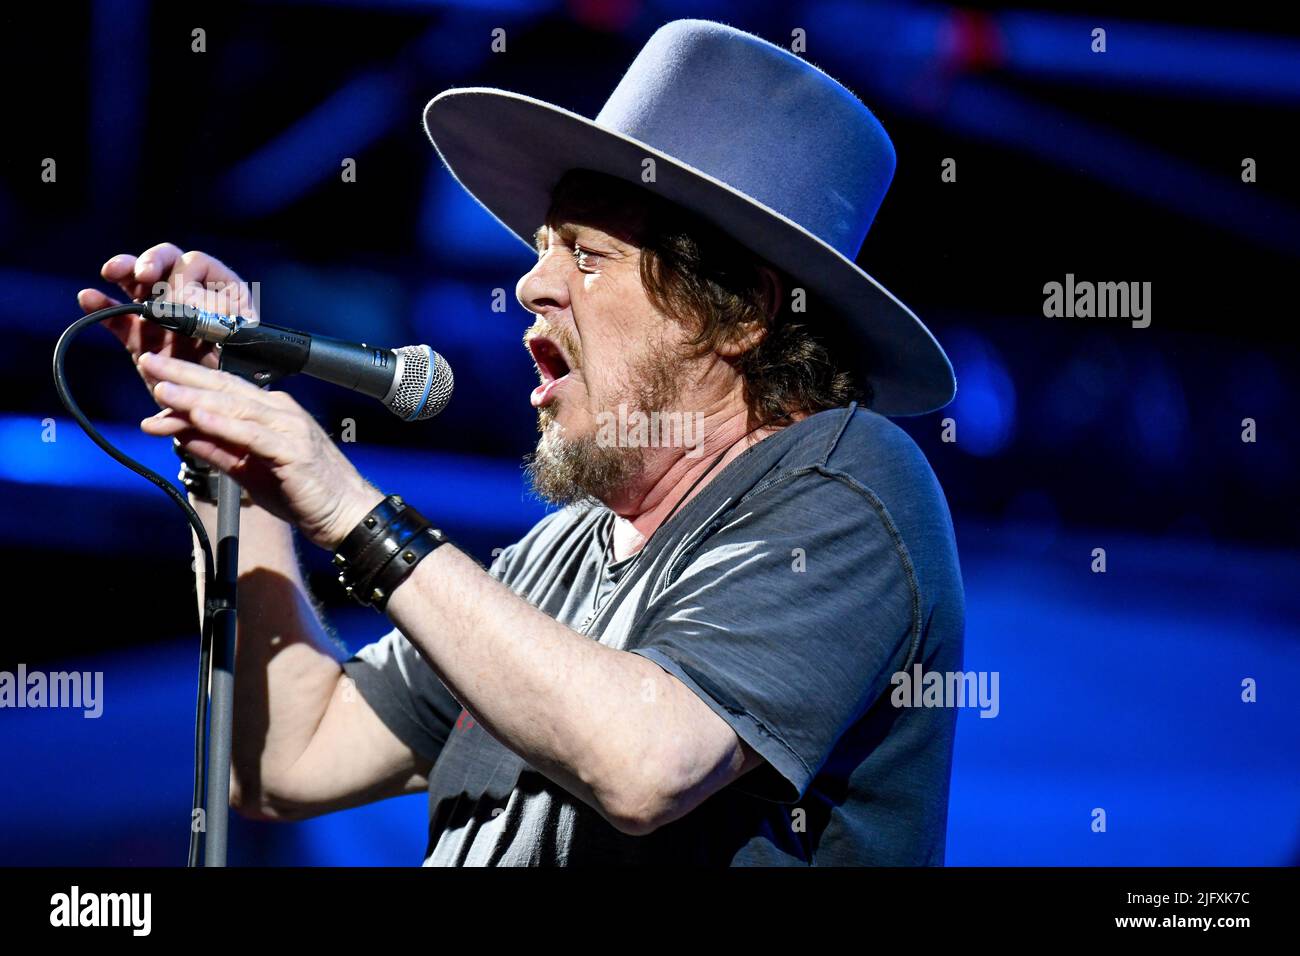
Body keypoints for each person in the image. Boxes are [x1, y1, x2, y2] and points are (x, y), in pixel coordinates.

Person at [77, 19, 963, 865]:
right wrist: (229, 450)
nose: (533, 284)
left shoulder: (853, 483)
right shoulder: (549, 560)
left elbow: (648, 764)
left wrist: (353, 511)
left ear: (734, 312)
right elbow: (286, 759)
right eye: (543, 246)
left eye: (584, 254)